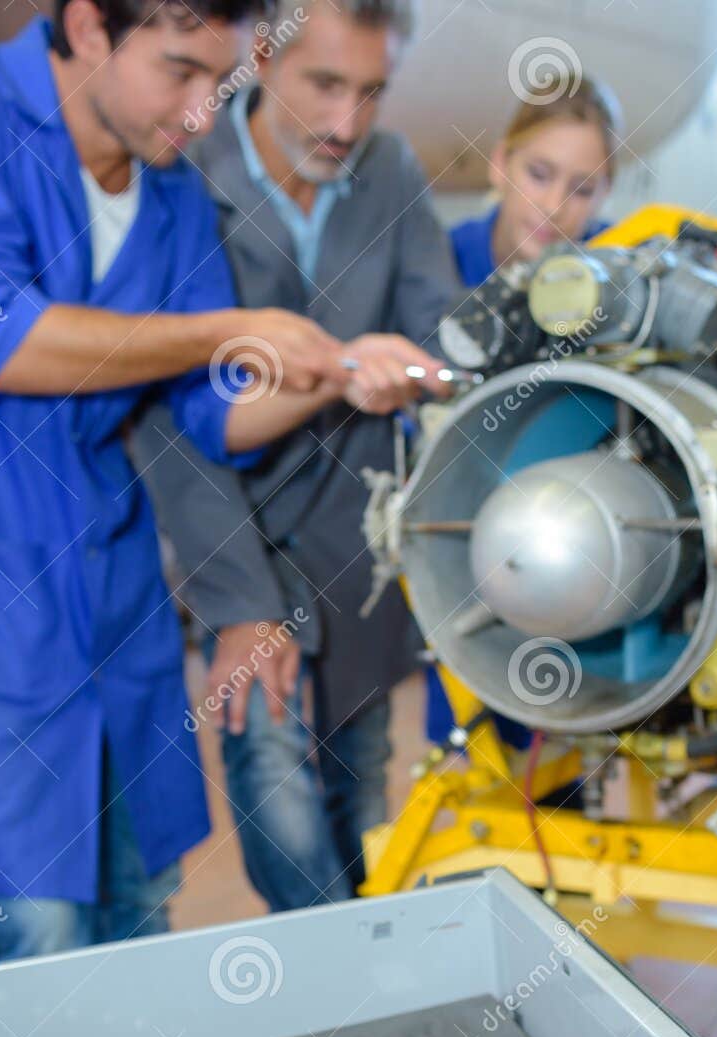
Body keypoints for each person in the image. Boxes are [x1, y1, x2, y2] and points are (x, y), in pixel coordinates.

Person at [0, 0, 428, 961]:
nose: (205, 113)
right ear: (88, 27)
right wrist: (226, 332)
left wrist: (333, 371)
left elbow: (212, 413)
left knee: (139, 909)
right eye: (180, 72)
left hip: (119, 591)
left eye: (224, 82)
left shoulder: (168, 193)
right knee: (41, 920)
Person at [139, 0, 459, 913]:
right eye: (326, 85)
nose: (346, 124)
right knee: (274, 786)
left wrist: (422, 368)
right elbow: (171, 423)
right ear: (264, 55)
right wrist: (240, 607)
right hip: (232, 533)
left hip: (351, 540)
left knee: (358, 783)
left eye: (371, 92)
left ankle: (359, 991)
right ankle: (350, 992)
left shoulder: (390, 170)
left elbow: (443, 340)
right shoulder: (185, 177)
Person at [429, 73, 623, 746]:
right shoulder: (438, 268)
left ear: (605, 197)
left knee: (580, 741)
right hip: (458, 539)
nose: (554, 207)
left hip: (578, 536)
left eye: (582, 189)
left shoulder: (617, 280)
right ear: (499, 164)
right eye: (539, 174)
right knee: (466, 726)